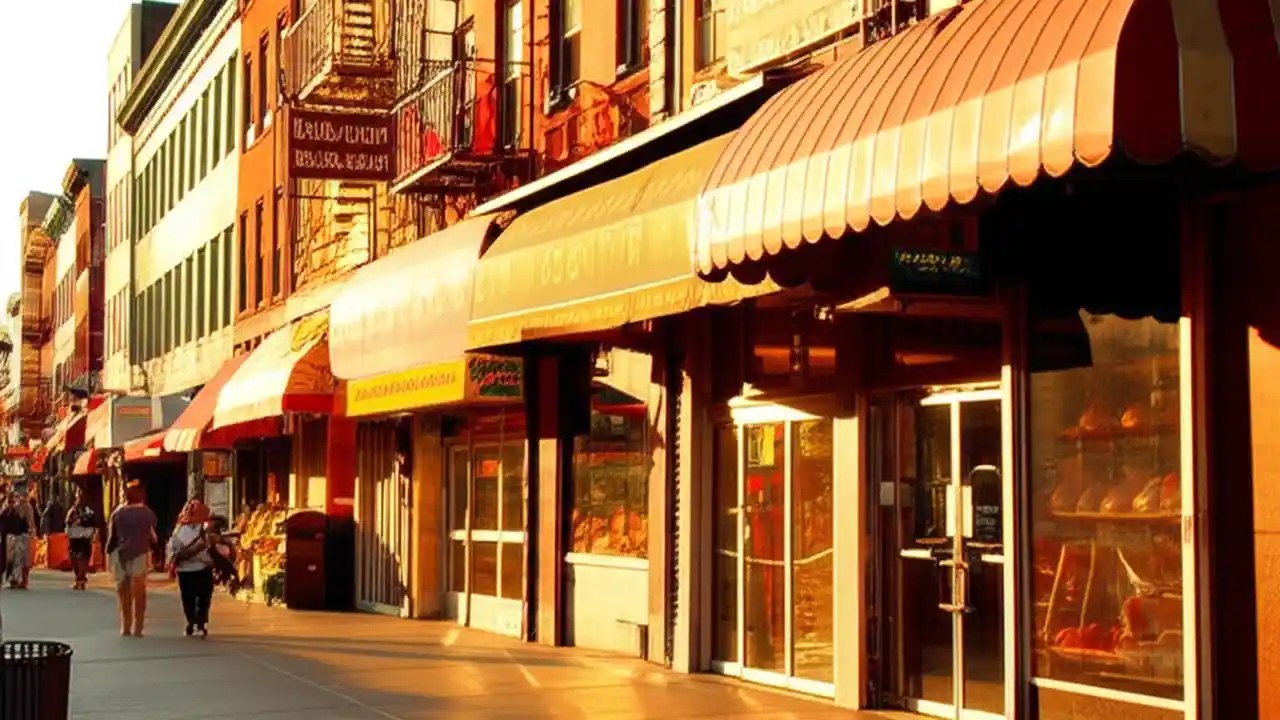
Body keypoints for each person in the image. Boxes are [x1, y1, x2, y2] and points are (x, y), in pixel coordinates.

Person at [105, 480, 157, 637]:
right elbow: (153, 536)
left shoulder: (117, 513)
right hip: (140, 553)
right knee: (139, 591)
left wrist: (108, 554)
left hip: (120, 554)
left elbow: (111, 538)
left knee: (123, 591)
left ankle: (126, 625)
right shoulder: (147, 513)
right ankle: (138, 626)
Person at [167, 500, 214, 637]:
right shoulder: (206, 529)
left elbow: (173, 549)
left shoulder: (179, 530)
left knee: (188, 598)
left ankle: (191, 622)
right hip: (203, 568)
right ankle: (200, 622)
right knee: (203, 597)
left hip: (185, 570)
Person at [2, 493, 37, 589]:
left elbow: (28, 522)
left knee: (19, 559)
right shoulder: (15, 508)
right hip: (18, 536)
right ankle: (18, 580)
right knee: (18, 559)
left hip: (20, 536)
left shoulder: (22, 508)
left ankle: (19, 580)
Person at [65, 490, 98, 590]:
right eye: (78, 496)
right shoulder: (73, 509)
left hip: (84, 536)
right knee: (74, 558)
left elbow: (92, 521)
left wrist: (81, 521)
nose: (79, 499)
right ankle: (79, 577)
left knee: (83, 558)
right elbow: (68, 521)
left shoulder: (89, 509)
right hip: (74, 536)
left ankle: (80, 579)